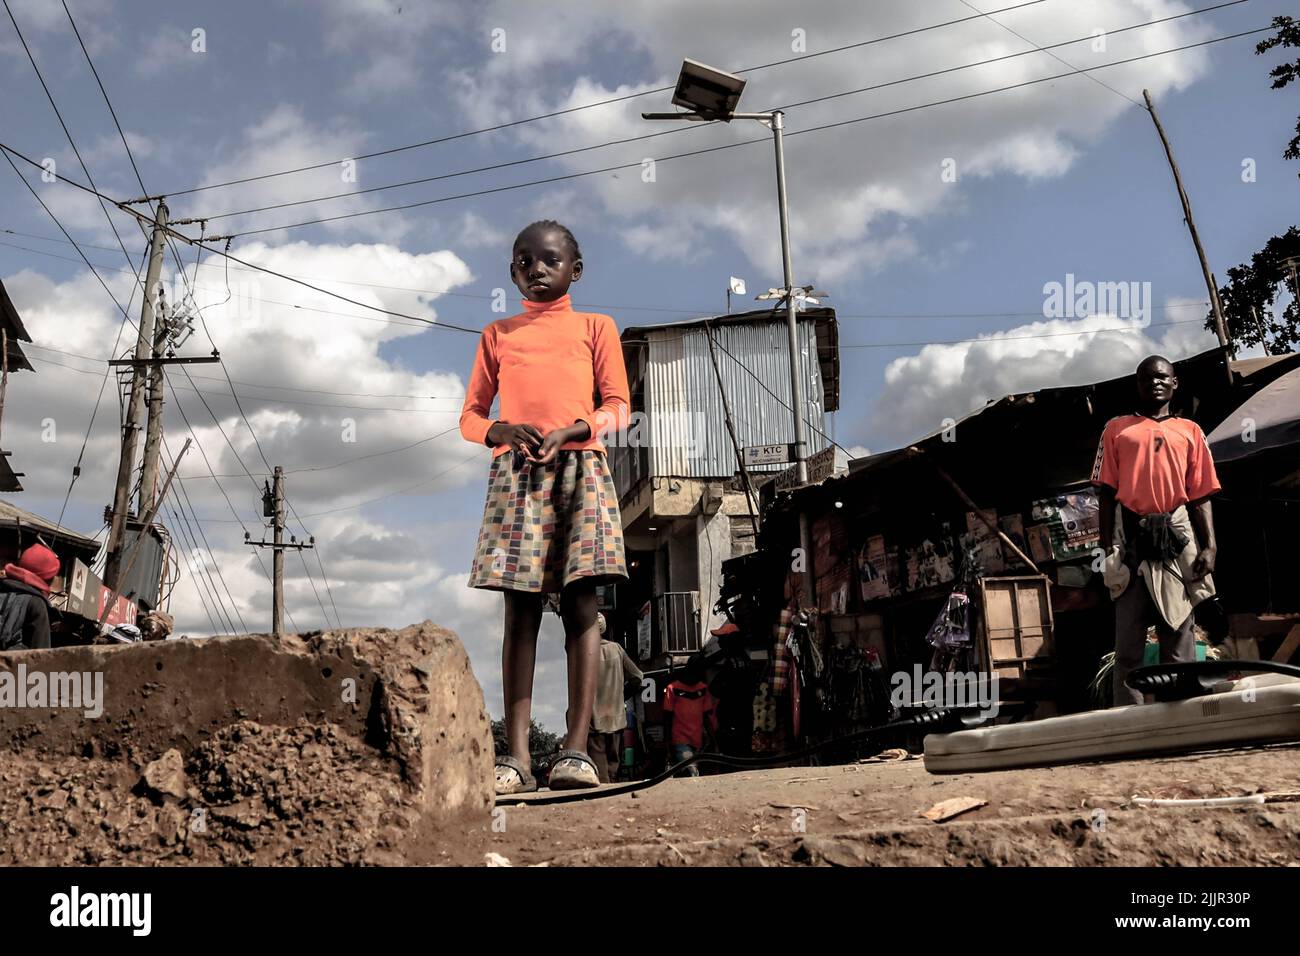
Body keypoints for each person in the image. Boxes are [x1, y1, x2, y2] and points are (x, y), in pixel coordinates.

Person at [461, 220, 631, 794]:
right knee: (521, 612)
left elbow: (619, 407)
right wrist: (499, 429)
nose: (536, 269)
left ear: (573, 272)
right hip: (519, 477)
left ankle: (575, 752)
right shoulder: (497, 334)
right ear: (513, 271)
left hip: (582, 470)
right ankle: (516, 759)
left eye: (549, 261)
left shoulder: (595, 327)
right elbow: (469, 418)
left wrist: (576, 430)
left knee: (582, 606)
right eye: (524, 261)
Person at [1091, 355, 1220, 707]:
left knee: (1178, 636)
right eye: (1147, 379)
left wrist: (1210, 547)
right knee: (1129, 643)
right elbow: (1105, 494)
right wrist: (1106, 550)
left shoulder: (1191, 431)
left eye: (1163, 377)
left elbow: (1201, 494)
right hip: (1131, 541)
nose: (1156, 383)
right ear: (1138, 385)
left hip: (1177, 542)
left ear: (1174, 383)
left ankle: (1180, 717)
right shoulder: (1116, 429)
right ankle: (1128, 723)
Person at [587, 612, 644, 783]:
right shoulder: (616, 649)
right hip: (616, 718)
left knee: (600, 771)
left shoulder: (584, 652)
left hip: (593, 719)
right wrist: (622, 698)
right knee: (613, 768)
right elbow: (637, 677)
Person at [663, 655, 716, 777]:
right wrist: (667, 746)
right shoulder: (672, 688)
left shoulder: (703, 688)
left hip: (698, 741)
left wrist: (713, 741)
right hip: (680, 739)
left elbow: (706, 718)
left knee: (693, 769)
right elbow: (667, 718)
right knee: (692, 769)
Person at [0, 543, 59, 651]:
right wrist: (21, 669)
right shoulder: (36, 603)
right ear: (47, 578)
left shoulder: (2, 590)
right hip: (15, 667)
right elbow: (39, 655)